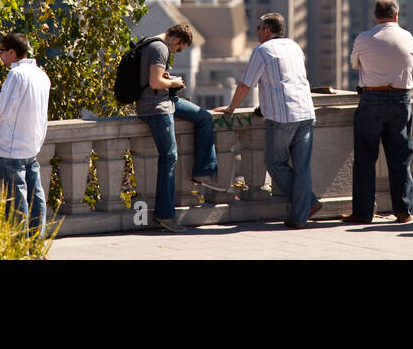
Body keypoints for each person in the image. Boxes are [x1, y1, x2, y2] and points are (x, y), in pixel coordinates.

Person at [215, 13, 321, 229]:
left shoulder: (262, 51)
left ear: (267, 30)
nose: (257, 31)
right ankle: (303, 212)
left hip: (282, 116)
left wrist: (231, 108)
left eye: (258, 27)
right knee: (302, 168)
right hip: (306, 112)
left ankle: (307, 204)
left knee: (274, 162)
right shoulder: (294, 47)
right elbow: (286, 80)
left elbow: (246, 84)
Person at [137, 22, 220, 232]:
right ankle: (165, 215)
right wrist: (174, 82)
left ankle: (203, 170)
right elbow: (155, 83)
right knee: (169, 157)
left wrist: (170, 79)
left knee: (204, 117)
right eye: (178, 48)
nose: (176, 51)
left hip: (166, 101)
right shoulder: (160, 48)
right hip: (156, 108)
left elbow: (153, 78)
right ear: (175, 39)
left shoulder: (152, 43)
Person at [344, 0, 413, 225]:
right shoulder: (407, 36)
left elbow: (355, 64)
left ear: (375, 15)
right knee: (401, 156)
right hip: (400, 99)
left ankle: (363, 212)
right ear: (397, 15)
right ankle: (403, 210)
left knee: (365, 157)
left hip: (371, 98)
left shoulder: (364, 38)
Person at [0, 32, 52, 233]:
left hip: (11, 147)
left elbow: (0, 110)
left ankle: (18, 245)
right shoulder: (41, 74)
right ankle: (36, 245)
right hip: (31, 145)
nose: (0, 56)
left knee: (16, 201)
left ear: (12, 52)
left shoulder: (16, 75)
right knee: (36, 196)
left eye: (1, 51)